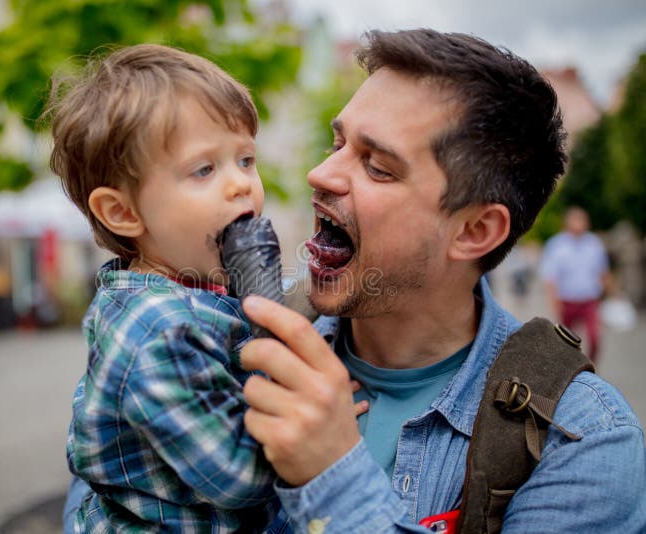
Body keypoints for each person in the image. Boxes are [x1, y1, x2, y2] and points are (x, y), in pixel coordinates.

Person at [232, 29, 645, 532]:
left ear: (474, 230)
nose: (321, 173)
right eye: (337, 143)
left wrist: (330, 474)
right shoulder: (232, 346)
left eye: (378, 167)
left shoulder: (585, 440)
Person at [48, 44, 301, 533]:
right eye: (204, 169)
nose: (241, 185)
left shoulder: (197, 284)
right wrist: (307, 406)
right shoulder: (157, 329)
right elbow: (241, 478)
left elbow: (284, 298)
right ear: (123, 213)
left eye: (246, 159)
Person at [540, 206, 610, 362]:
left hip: (589, 300)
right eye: (575, 219)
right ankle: (569, 369)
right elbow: (550, 277)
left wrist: (609, 294)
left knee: (594, 337)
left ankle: (591, 366)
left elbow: (603, 271)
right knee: (565, 341)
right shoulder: (556, 245)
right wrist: (553, 301)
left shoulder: (594, 244)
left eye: (582, 219)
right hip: (567, 300)